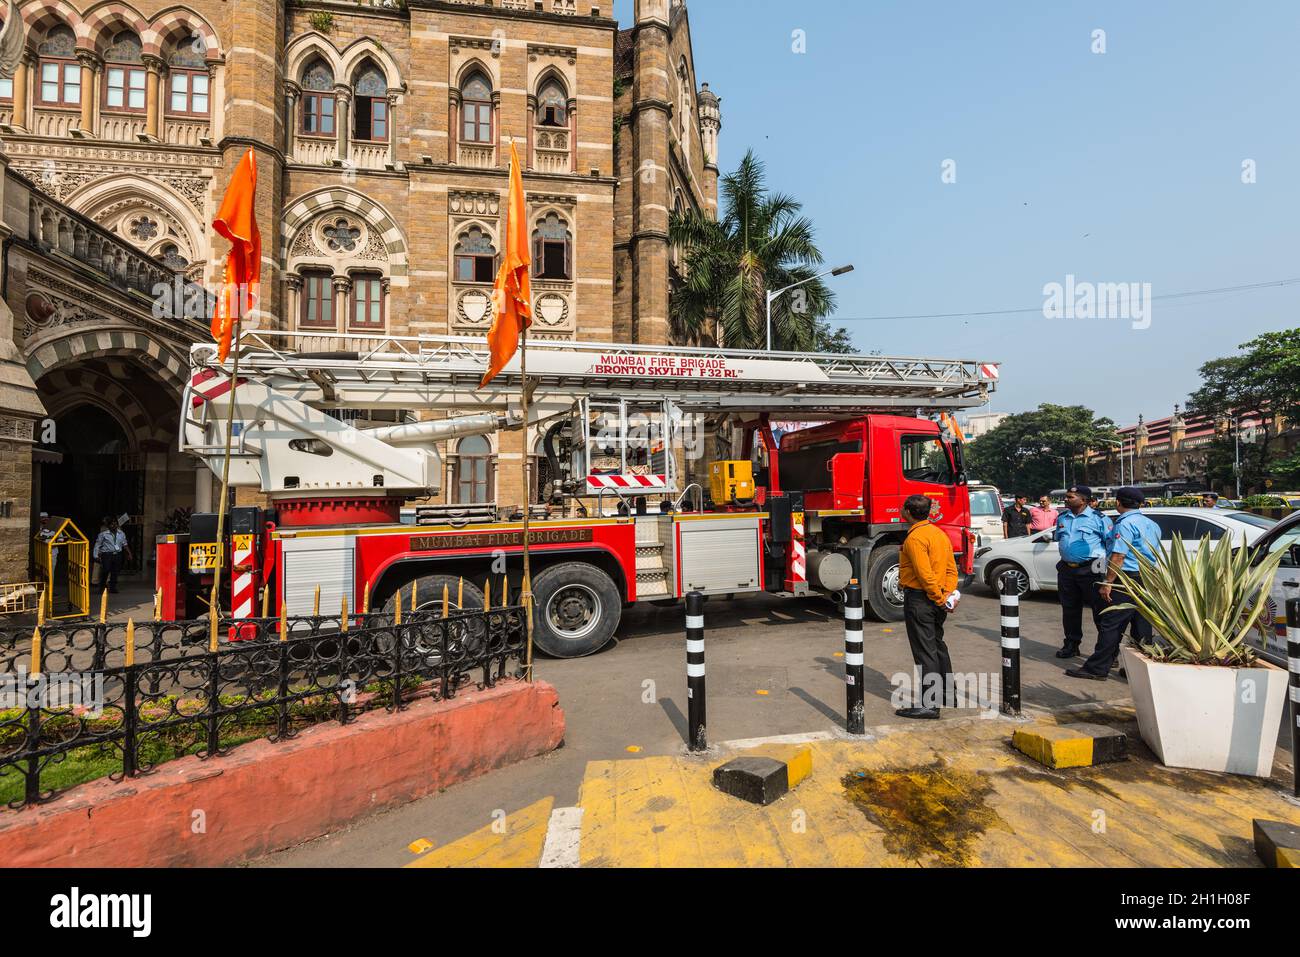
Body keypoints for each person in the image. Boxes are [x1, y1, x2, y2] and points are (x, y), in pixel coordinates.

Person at [1066, 487, 1160, 680]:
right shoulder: (1151, 524)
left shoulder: (1124, 524)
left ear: (1118, 503)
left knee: (1112, 624)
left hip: (1126, 578)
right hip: (1146, 577)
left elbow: (1118, 556)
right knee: (1141, 625)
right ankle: (1139, 670)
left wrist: (1108, 582)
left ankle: (1097, 668)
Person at [896, 494, 960, 719]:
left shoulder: (914, 538)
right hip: (937, 599)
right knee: (937, 645)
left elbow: (924, 575)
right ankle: (946, 694)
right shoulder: (938, 534)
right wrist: (946, 595)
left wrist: (937, 597)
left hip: (921, 600)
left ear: (908, 512)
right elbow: (952, 570)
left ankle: (930, 705)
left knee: (925, 652)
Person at [1054, 485, 1113, 660]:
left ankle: (1107, 652)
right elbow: (1060, 539)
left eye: (1070, 497)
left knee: (1100, 612)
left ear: (1084, 500)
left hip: (1093, 568)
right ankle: (1071, 645)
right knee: (1069, 609)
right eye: (1066, 496)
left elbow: (1110, 547)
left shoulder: (1100, 519)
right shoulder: (1062, 518)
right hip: (1067, 568)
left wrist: (1104, 574)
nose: (1066, 499)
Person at [92, 516, 133, 594]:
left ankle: (113, 587)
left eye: (115, 524)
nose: (114, 526)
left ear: (117, 525)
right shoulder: (103, 534)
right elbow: (97, 545)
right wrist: (96, 555)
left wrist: (129, 553)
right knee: (106, 570)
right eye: (112, 524)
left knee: (115, 572)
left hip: (117, 555)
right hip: (107, 555)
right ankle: (102, 587)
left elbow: (125, 544)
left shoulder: (121, 534)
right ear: (108, 526)